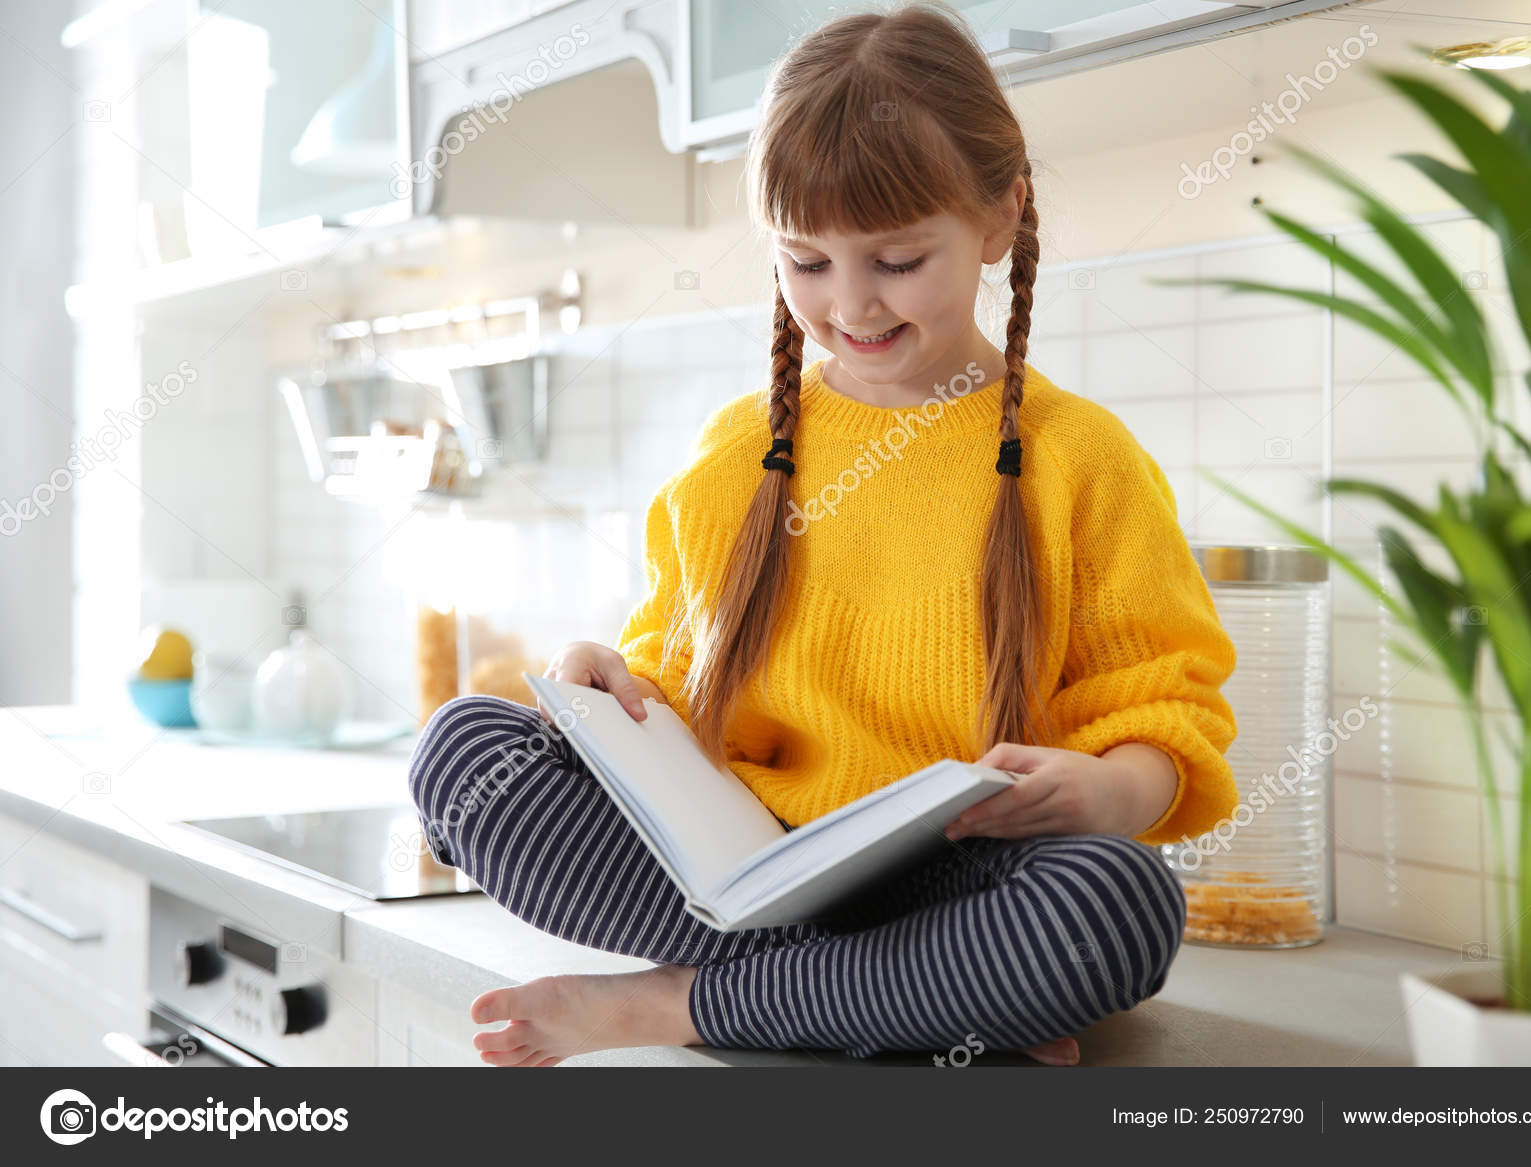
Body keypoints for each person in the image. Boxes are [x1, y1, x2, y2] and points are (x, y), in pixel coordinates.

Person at [408, 1, 1237, 1067]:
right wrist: (599, 692)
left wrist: (1110, 789)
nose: (851, 303)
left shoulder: (1084, 458)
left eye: (896, 260)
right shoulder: (735, 451)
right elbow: (672, 687)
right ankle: (906, 993)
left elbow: (1167, 712)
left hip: (967, 875)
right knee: (465, 748)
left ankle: (678, 1006)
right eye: (807, 263)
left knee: (1114, 905)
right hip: (746, 877)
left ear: (997, 218)